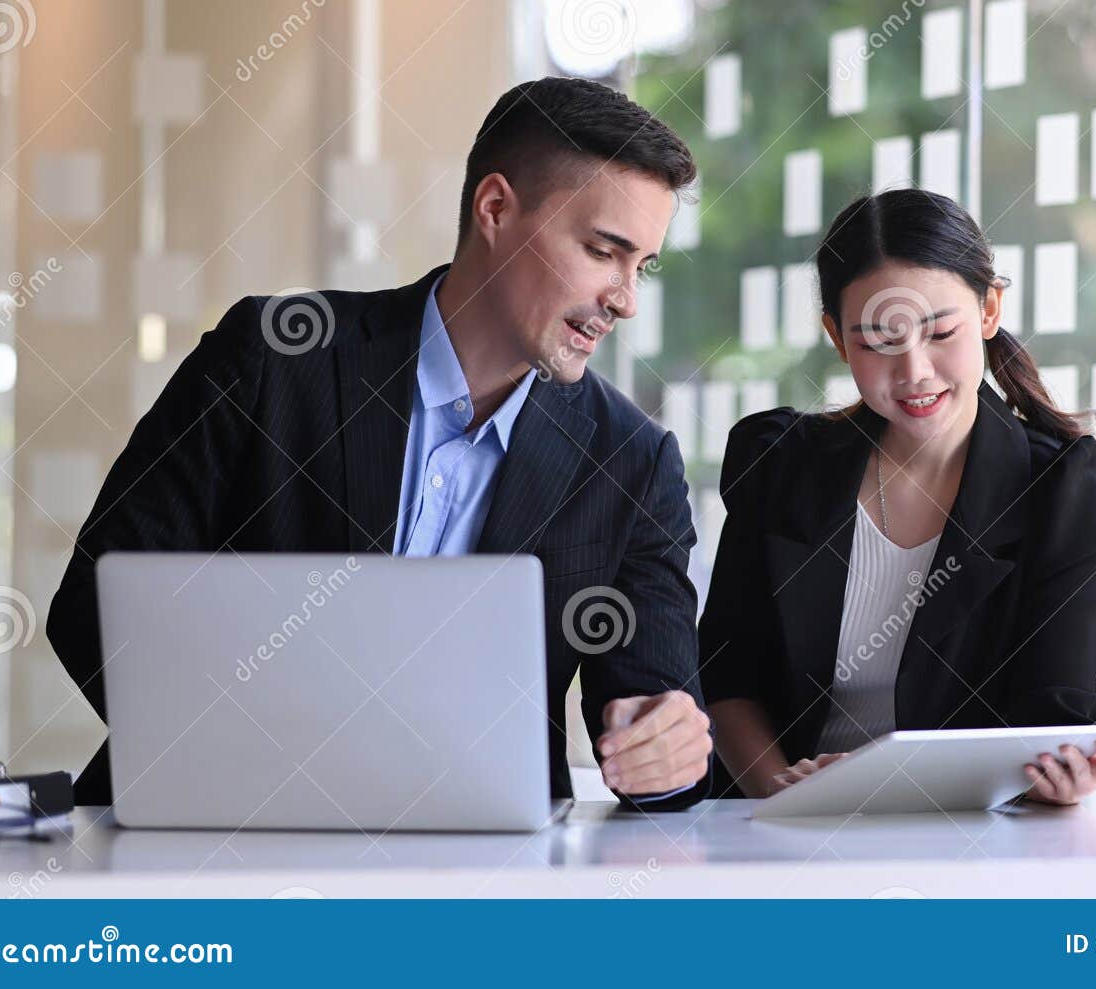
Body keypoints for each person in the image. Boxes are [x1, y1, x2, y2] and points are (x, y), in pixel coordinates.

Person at [48, 77, 712, 810]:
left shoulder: (632, 461)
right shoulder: (275, 359)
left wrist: (666, 753)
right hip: (211, 836)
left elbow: (660, 718)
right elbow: (97, 602)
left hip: (477, 874)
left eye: (641, 266)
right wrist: (250, 765)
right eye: (602, 251)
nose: (626, 298)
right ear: (495, 208)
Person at [700, 188, 1096, 804]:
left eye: (940, 333)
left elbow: (1055, 710)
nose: (914, 372)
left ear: (989, 310)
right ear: (838, 337)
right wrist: (784, 794)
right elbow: (728, 676)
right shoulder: (780, 464)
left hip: (959, 841)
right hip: (780, 833)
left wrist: (1058, 779)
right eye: (878, 342)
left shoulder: (1057, 489)